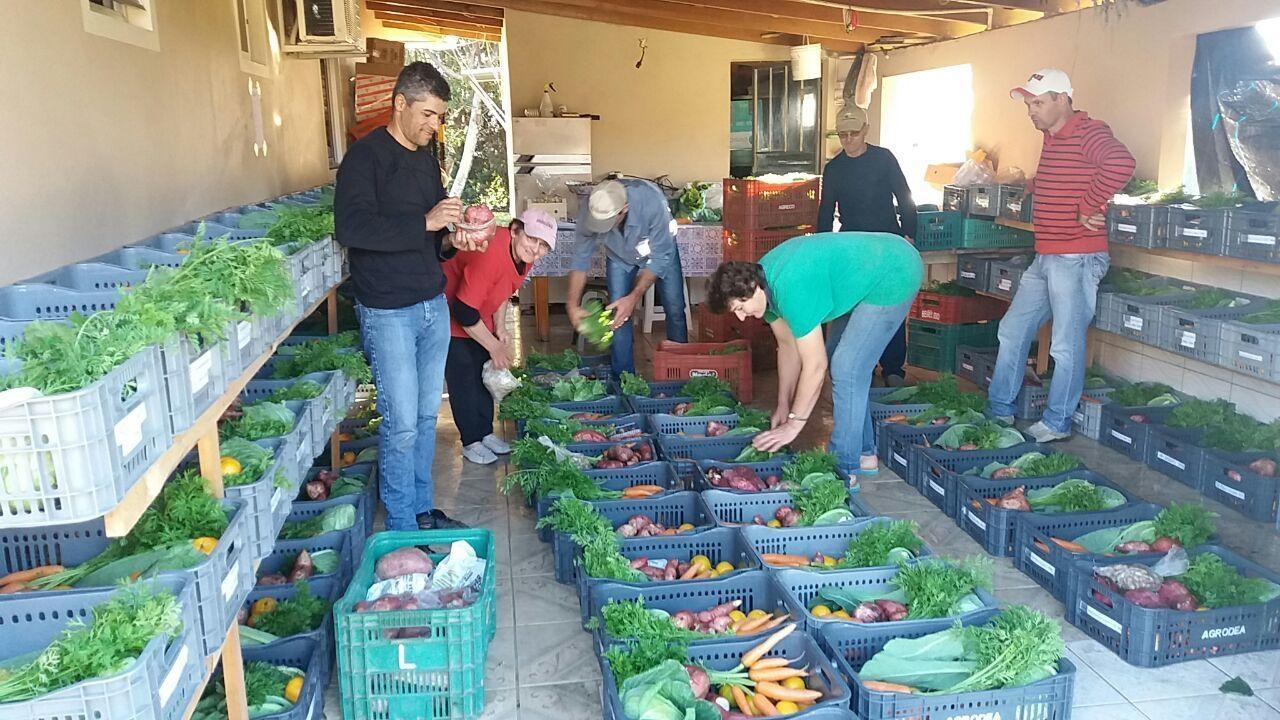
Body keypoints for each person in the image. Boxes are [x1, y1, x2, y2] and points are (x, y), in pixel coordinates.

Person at [334, 61, 488, 531]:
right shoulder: (364, 159)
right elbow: (352, 229)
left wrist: (453, 239)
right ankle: (401, 524)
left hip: (430, 305)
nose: (434, 125)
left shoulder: (425, 160)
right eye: (427, 114)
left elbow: (433, 238)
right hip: (388, 311)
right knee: (400, 423)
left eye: (439, 116)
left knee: (424, 419)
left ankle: (422, 509)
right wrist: (425, 222)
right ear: (399, 103)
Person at [988, 68, 1134, 443]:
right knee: (1012, 331)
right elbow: (1065, 174)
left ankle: (1057, 422)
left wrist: (1088, 204)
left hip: (1077, 257)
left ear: (1062, 99)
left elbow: (1122, 163)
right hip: (1047, 254)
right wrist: (1031, 185)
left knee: (1066, 345)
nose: (1031, 111)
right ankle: (1000, 410)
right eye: (1028, 104)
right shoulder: (1052, 137)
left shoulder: (1090, 132)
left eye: (1038, 103)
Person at [707, 232, 923, 481]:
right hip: (861, 278)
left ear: (752, 288)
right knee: (839, 360)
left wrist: (794, 425)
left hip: (895, 270)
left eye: (740, 308)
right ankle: (865, 453)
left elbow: (815, 365)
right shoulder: (763, 285)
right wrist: (784, 404)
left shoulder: (791, 289)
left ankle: (844, 467)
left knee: (847, 368)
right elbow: (788, 347)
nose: (741, 317)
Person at [444, 209, 557, 464]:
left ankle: (485, 433)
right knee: (464, 375)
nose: (536, 249)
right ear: (515, 230)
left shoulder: (524, 256)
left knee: (484, 372)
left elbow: (504, 289)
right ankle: (471, 441)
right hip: (451, 312)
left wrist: (500, 327)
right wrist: (494, 346)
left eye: (543, 245)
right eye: (532, 239)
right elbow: (463, 311)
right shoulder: (492, 252)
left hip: (477, 310)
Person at [817, 105, 918, 388]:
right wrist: (823, 248)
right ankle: (861, 363)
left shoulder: (883, 159)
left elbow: (904, 196)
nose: (848, 139)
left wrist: (909, 234)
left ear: (866, 130)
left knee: (890, 302)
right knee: (856, 307)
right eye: (843, 134)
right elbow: (825, 211)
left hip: (888, 242)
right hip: (853, 246)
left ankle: (893, 367)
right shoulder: (834, 168)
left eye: (854, 133)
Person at [566, 179, 689, 376]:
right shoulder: (591, 206)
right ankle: (623, 378)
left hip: (659, 251)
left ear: (624, 209)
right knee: (618, 314)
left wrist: (633, 297)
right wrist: (572, 305)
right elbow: (580, 260)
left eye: (606, 222)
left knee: (674, 306)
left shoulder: (652, 201)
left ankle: (679, 370)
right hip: (619, 256)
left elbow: (660, 257)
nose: (601, 227)